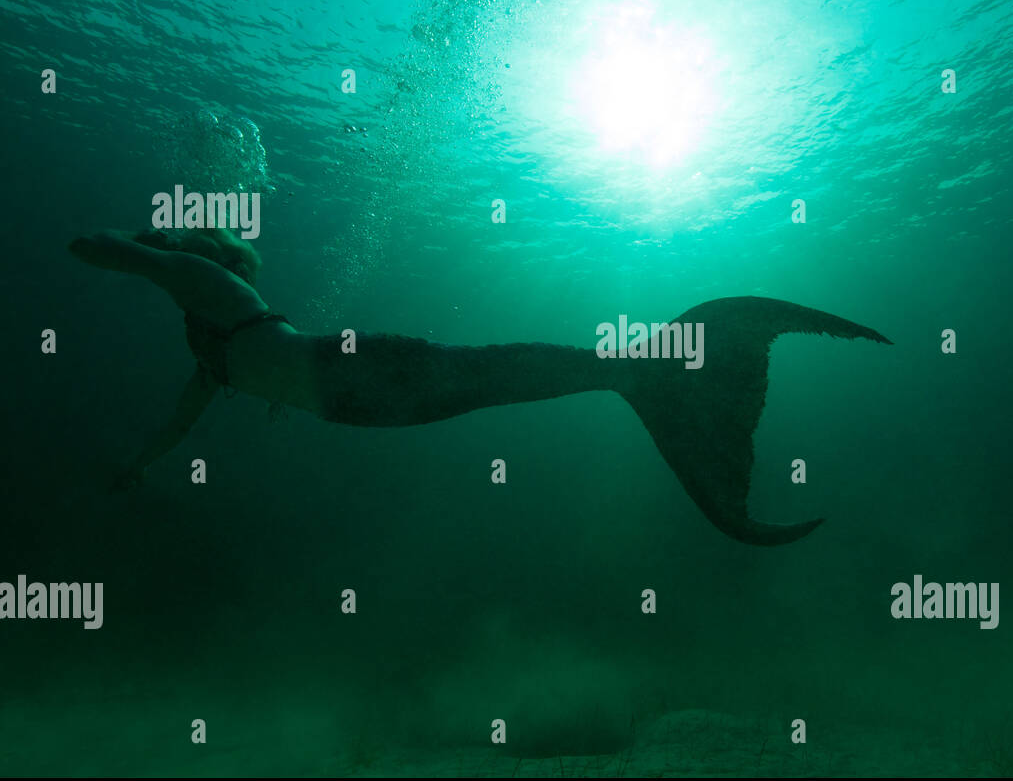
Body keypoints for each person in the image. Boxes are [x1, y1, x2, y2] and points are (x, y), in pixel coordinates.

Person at [68, 229, 892, 545]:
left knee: (485, 372)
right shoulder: (210, 352)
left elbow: (132, 255)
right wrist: (140, 465)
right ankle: (651, 376)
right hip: (364, 405)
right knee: (486, 381)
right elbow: (182, 419)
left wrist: (109, 245)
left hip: (358, 372)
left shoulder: (209, 288)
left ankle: (655, 369)